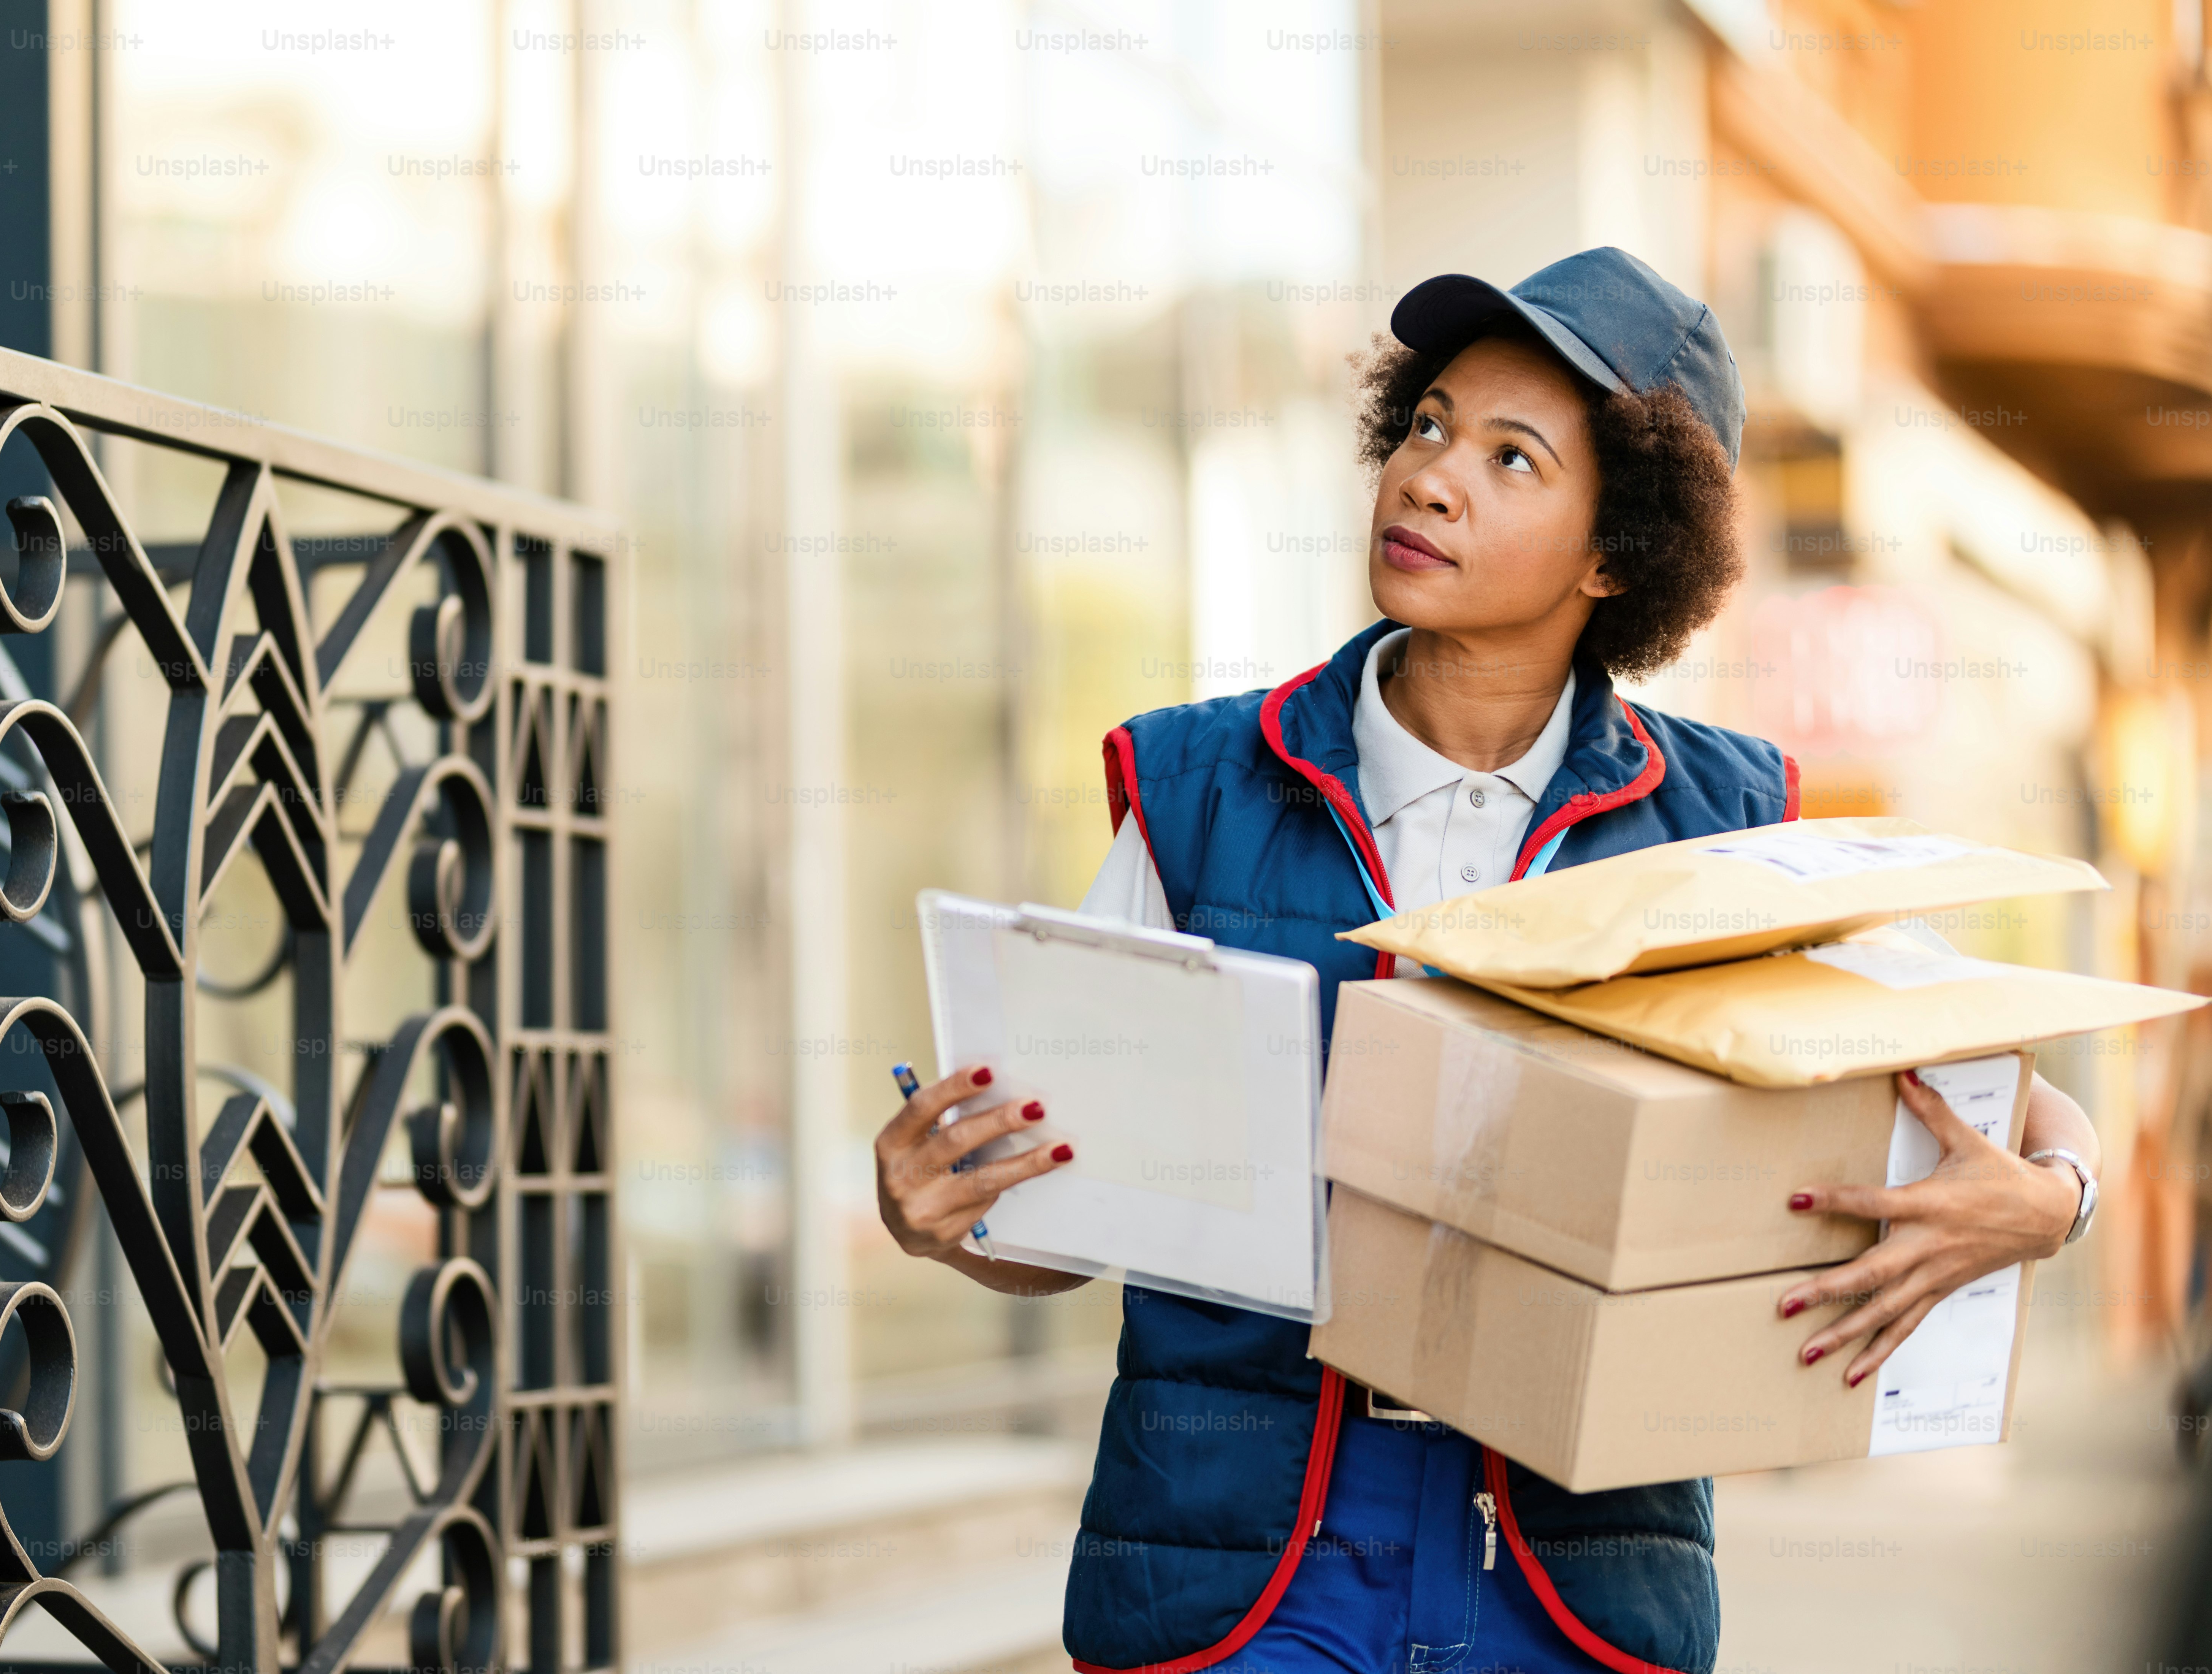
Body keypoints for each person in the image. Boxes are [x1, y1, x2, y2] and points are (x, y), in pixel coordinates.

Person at [873, 247, 2104, 1674]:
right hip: (1245, 1585)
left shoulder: (1725, 828)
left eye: (1514, 458)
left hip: (1574, 1593)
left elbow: (2012, 1102)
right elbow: (1070, 1229)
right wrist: (951, 1221)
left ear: (1617, 551)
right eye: (1429, 424)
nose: (1430, 477)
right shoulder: (1199, 789)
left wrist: (2050, 1201)